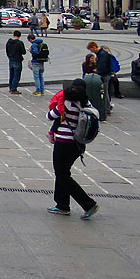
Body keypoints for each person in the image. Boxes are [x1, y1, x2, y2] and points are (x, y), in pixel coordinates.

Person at [46, 78, 101, 220]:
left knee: (62, 174)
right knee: (63, 172)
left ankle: (88, 204)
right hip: (78, 145)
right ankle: (62, 205)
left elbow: (49, 116)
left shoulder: (66, 103)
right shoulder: (86, 103)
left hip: (64, 143)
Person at [5, 29, 26, 94]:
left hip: (11, 60)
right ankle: (14, 89)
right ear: (19, 36)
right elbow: (23, 52)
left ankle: (11, 87)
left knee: (11, 75)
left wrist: (9, 56)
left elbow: (7, 51)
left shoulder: (8, 42)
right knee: (16, 75)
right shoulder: (19, 43)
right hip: (17, 60)